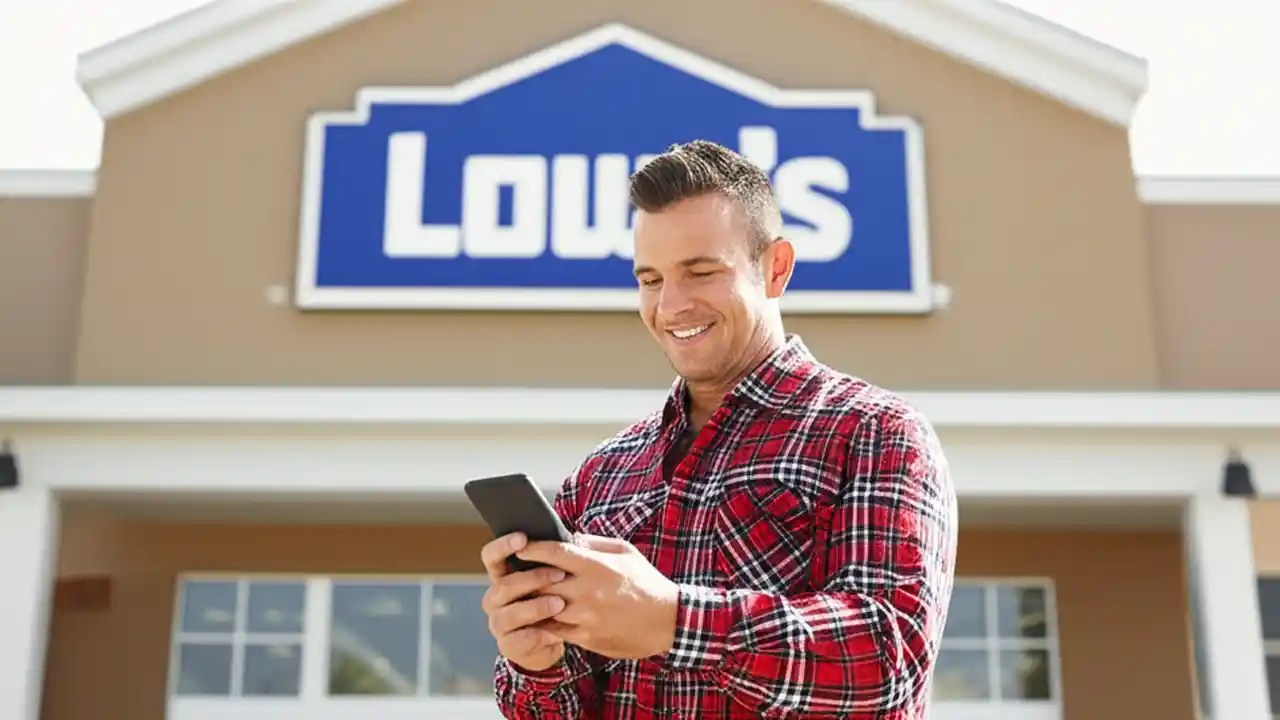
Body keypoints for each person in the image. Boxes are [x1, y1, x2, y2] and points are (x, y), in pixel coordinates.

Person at [480, 139, 957, 719]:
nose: (671, 304)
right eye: (650, 279)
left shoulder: (874, 433)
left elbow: (891, 663)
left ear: (775, 268)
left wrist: (673, 621)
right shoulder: (601, 476)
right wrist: (535, 663)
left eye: (701, 272)